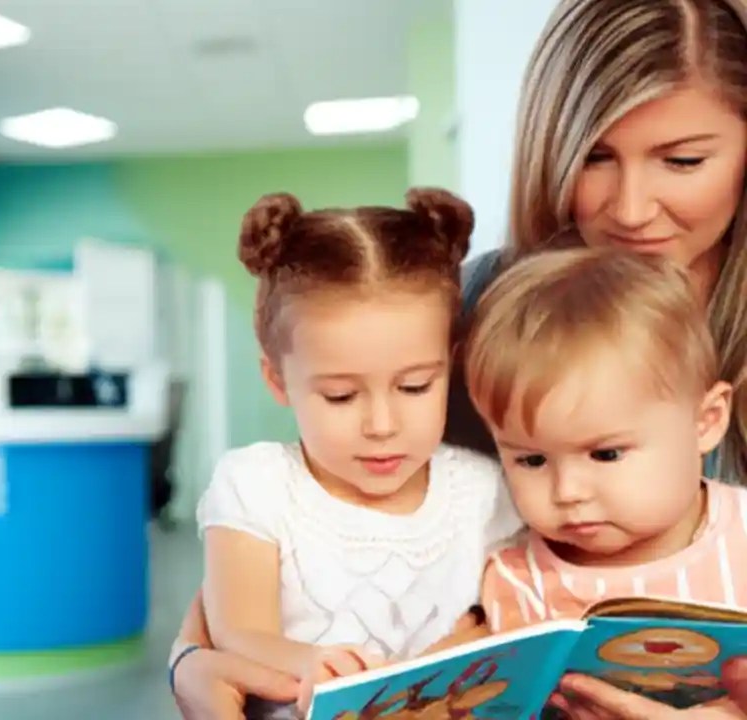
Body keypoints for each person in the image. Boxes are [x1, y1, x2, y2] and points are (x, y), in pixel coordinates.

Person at [169, 0, 747, 716]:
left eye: (684, 160)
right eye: (594, 156)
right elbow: (300, 545)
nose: (630, 208)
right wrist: (191, 663)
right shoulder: (481, 305)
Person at [196, 188, 523, 718]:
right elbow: (237, 629)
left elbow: (503, 620)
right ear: (278, 380)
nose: (382, 425)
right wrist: (306, 661)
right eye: (341, 396)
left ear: (451, 362)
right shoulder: (256, 485)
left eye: (415, 386)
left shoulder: (485, 490)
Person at [466, 246, 747, 714]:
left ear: (706, 422)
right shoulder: (519, 582)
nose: (568, 492)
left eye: (606, 454)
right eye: (532, 460)